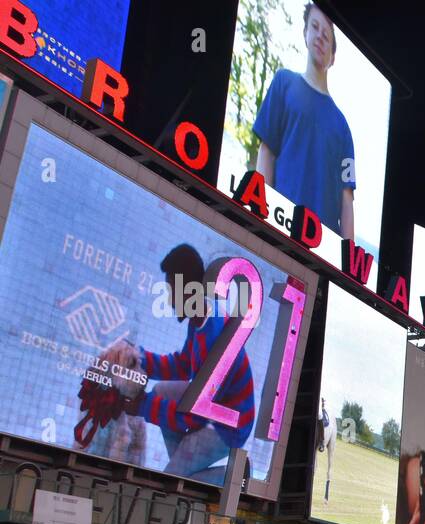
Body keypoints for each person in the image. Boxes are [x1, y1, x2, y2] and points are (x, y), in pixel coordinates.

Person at [117, 244, 256, 478]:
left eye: (172, 291)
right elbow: (183, 365)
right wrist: (139, 358)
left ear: (188, 290)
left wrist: (141, 405)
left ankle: (231, 476)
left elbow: (192, 417)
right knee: (160, 392)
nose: (170, 301)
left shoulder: (213, 336)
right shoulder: (200, 318)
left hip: (227, 426)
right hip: (214, 408)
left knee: (173, 477)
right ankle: (188, 469)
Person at [253, 3, 356, 239]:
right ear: (305, 34)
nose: (319, 36)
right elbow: (266, 152)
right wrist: (260, 219)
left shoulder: (343, 127)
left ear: (333, 57)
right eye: (315, 27)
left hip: (320, 250)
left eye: (326, 35)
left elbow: (346, 200)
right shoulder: (283, 83)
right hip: (279, 228)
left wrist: (346, 270)